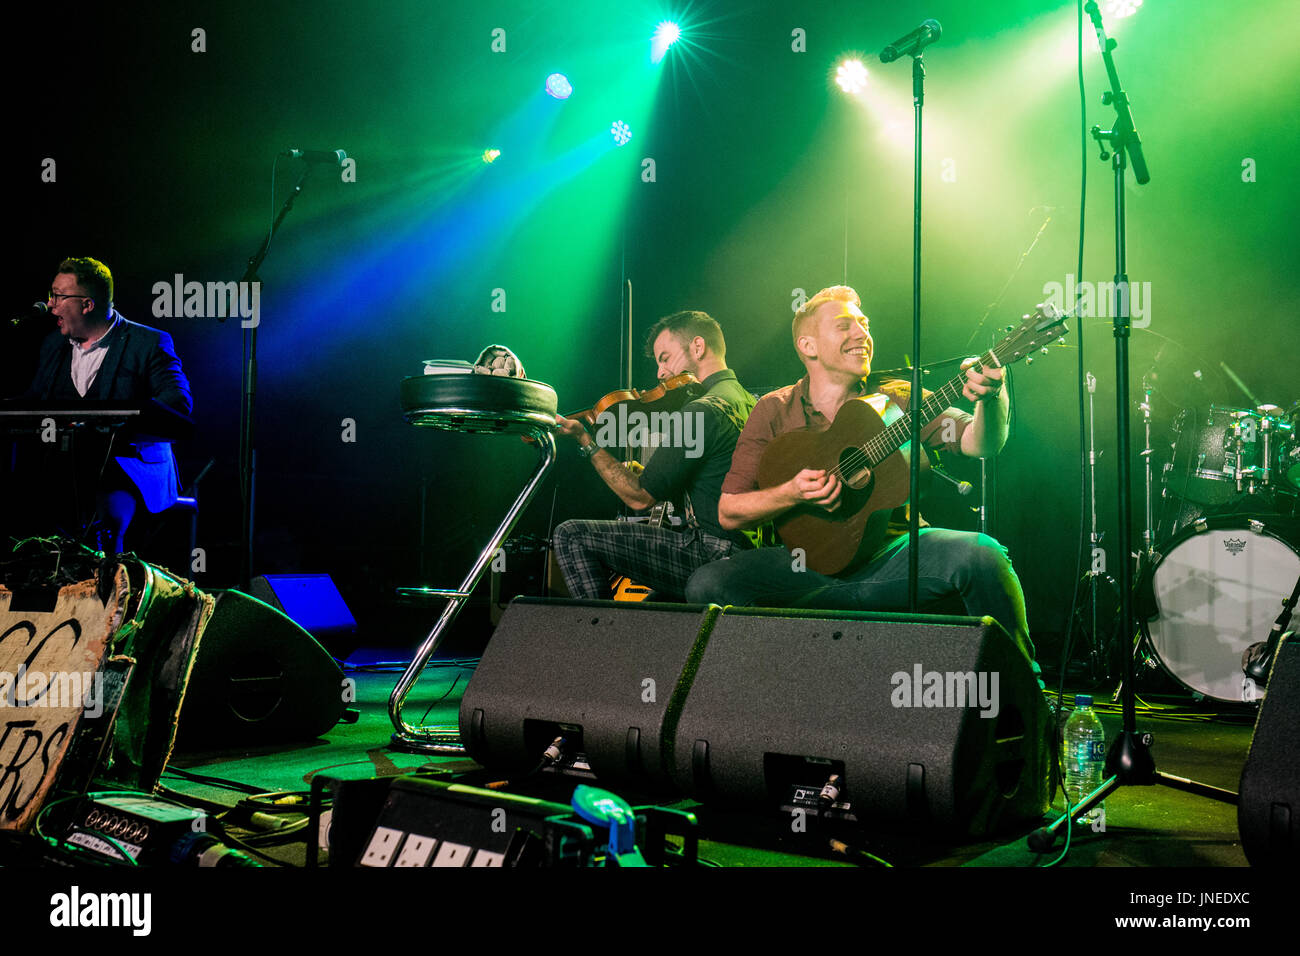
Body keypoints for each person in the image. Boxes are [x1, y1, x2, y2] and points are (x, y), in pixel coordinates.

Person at [685, 285, 1035, 662]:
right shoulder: (774, 409)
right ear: (808, 346)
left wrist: (991, 396)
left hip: (893, 558)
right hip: (805, 564)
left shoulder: (896, 399)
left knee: (983, 555)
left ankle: (1024, 692)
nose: (862, 334)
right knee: (708, 583)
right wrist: (793, 492)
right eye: (844, 325)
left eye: (864, 325)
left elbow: (979, 443)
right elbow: (729, 511)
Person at [550, 310, 756, 601]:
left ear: (698, 347)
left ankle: (594, 640)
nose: (660, 373)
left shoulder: (701, 410)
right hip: (750, 555)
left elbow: (640, 498)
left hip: (711, 552)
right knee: (650, 613)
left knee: (570, 534)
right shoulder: (750, 403)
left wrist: (585, 439)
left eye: (665, 358)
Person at [21, 256, 192, 555]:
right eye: (52, 295)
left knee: (107, 513)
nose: (51, 305)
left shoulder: (149, 342)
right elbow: (34, 405)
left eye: (59, 296)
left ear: (87, 305)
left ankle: (111, 587)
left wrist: (115, 428)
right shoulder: (53, 346)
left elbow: (177, 402)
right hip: (67, 470)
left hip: (130, 467)